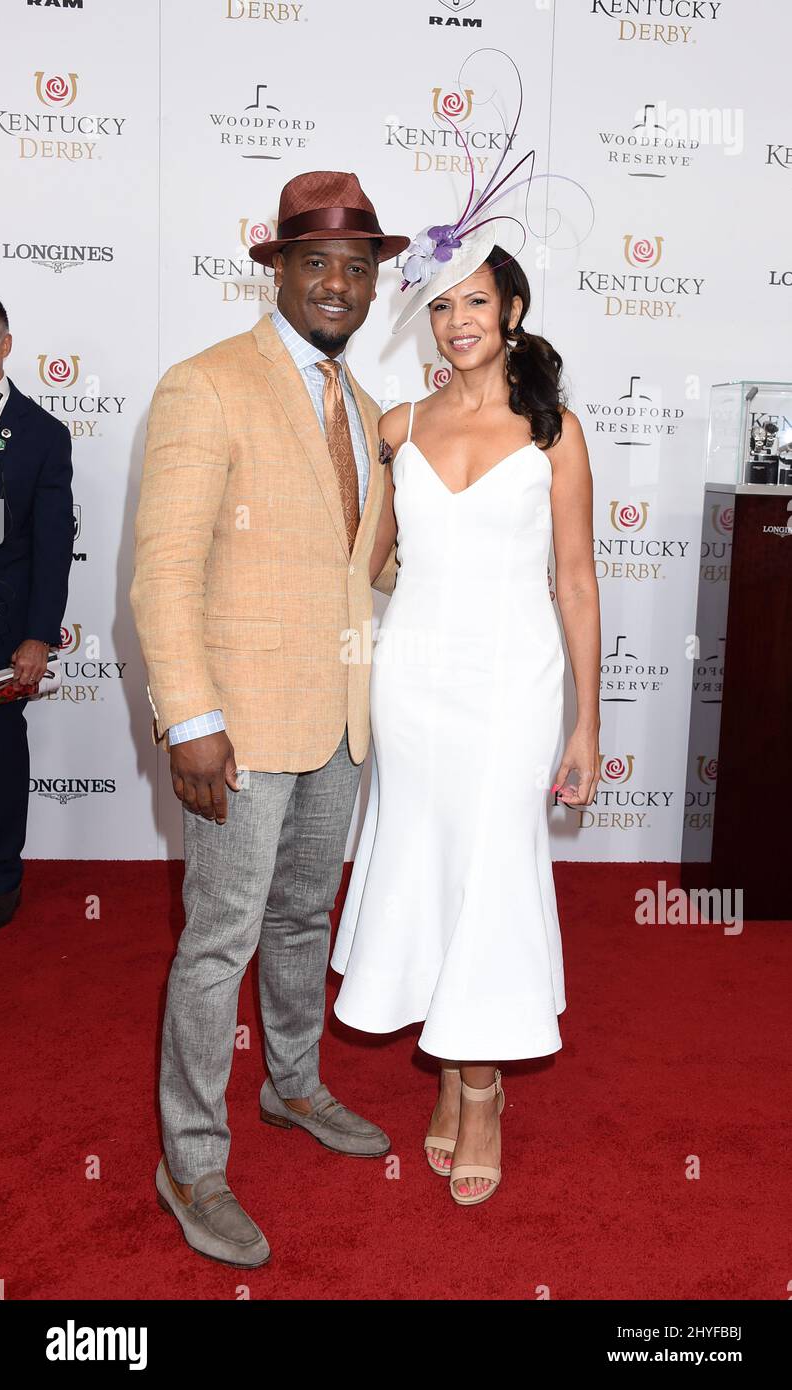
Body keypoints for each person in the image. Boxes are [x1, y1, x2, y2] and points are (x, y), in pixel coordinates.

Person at [130, 171, 410, 1267]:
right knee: (218, 941)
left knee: (302, 922)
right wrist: (191, 719)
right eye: (317, 264)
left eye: (358, 267)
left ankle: (292, 1085)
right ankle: (191, 1159)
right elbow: (163, 570)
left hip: (339, 716)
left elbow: (364, 568)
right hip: (236, 730)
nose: (339, 283)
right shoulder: (206, 384)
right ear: (278, 270)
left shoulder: (364, 406)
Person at [331, 198, 602, 1207]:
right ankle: (452, 1065)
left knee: (491, 865)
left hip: (513, 683)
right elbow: (370, 562)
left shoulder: (554, 432)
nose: (457, 322)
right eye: (441, 306)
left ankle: (481, 1088)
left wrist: (588, 717)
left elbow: (574, 580)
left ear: (513, 308)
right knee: (433, 861)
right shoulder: (396, 425)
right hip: (414, 680)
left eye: (476, 301)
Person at [0, 299, 74, 929]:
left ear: (6, 346)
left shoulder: (42, 433)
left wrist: (38, 638)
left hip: (5, 629)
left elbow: (52, 546)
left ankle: (1, 879)